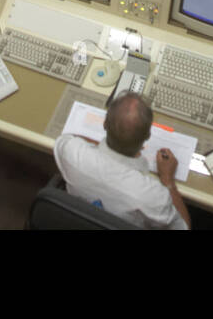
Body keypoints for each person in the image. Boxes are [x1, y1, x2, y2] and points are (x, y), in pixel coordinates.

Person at [53, 92, 190, 230]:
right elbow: (184, 227)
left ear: (105, 124)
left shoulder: (73, 153)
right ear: (147, 136)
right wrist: (168, 180)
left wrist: (98, 145)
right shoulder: (154, 197)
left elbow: (67, 138)